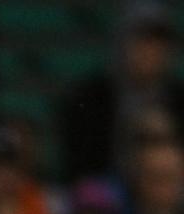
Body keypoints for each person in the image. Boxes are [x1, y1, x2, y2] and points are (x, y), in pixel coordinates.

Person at [61, 2, 184, 182]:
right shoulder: (90, 98)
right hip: (105, 198)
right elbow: (80, 167)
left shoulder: (179, 100)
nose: (150, 51)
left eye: (157, 42)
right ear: (121, 43)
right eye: (142, 40)